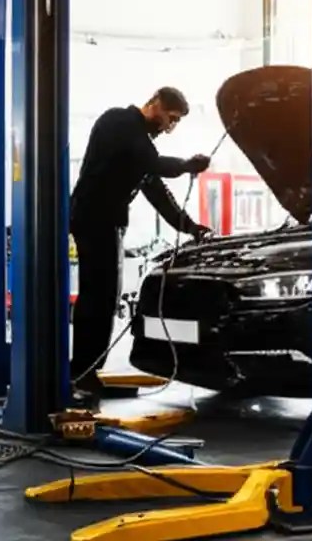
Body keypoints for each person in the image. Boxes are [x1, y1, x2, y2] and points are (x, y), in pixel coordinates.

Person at [68, 87, 213, 401]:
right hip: (93, 218)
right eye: (170, 119)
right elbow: (154, 163)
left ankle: (87, 372)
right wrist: (188, 164)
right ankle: (80, 373)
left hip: (106, 223)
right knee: (97, 298)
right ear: (156, 104)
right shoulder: (119, 122)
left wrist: (191, 228)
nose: (169, 127)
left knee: (105, 299)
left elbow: (159, 194)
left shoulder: (139, 147)